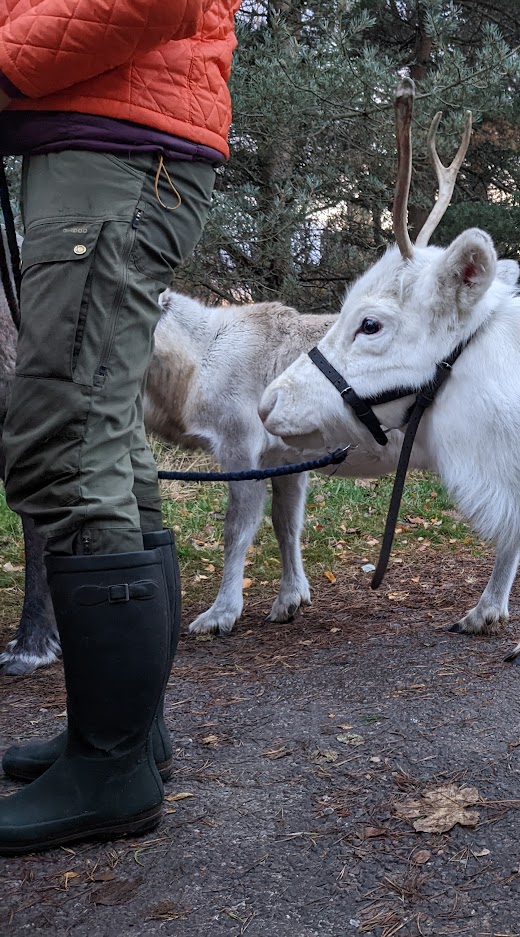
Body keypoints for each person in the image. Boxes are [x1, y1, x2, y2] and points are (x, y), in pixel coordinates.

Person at [0, 0, 242, 854]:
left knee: (64, 442)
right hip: (110, 135)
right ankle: (128, 735)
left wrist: (9, 60)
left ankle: (112, 770)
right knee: (103, 434)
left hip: (118, 146)